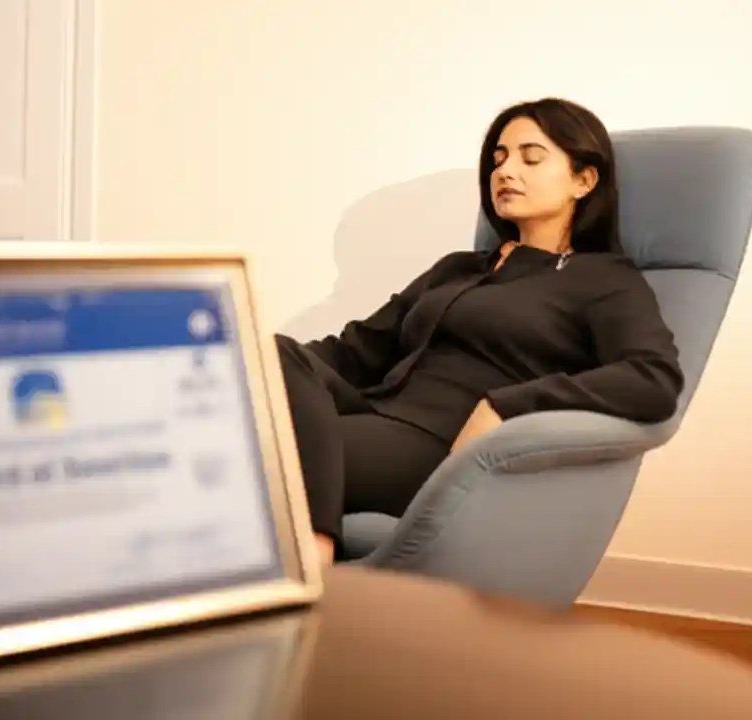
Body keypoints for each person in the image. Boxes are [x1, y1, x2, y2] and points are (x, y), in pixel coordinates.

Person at [275, 97, 685, 569]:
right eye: (499, 159)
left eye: (531, 158)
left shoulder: (604, 279)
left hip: (437, 447)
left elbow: (653, 379)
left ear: (583, 180)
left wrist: (507, 403)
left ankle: (314, 553)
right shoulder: (459, 268)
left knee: (265, 458)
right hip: (373, 410)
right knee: (272, 353)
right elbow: (356, 351)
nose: (506, 171)